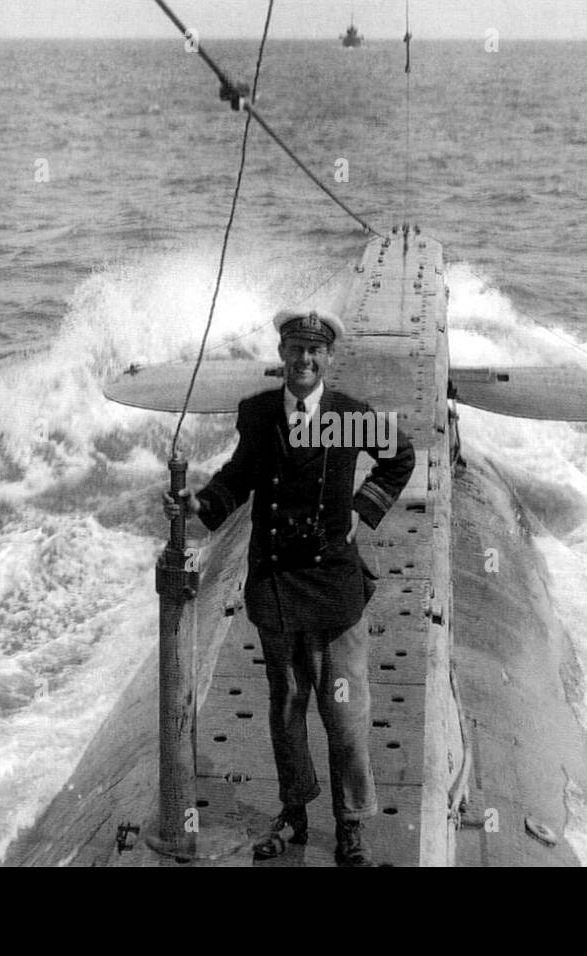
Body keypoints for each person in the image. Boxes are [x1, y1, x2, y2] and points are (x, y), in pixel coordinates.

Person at [163, 308, 415, 866]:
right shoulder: (259, 415)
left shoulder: (347, 416)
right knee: (286, 708)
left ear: (328, 357)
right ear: (282, 354)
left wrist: (362, 509)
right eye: (296, 349)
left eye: (315, 351)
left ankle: (350, 823)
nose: (305, 360)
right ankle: (294, 811)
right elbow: (240, 476)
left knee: (344, 711)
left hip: (333, 586)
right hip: (277, 585)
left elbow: (401, 456)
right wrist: (198, 502)